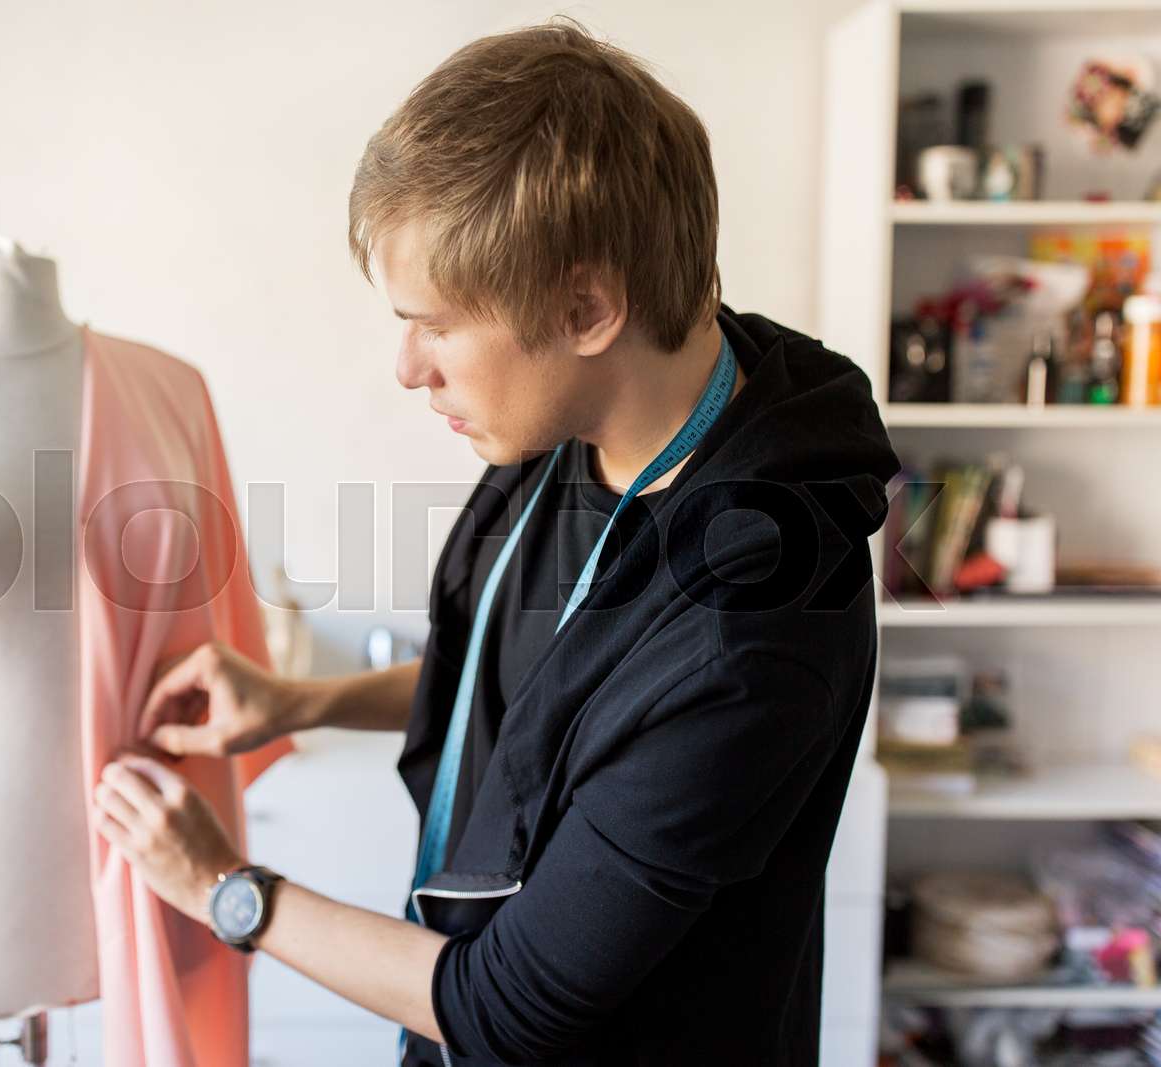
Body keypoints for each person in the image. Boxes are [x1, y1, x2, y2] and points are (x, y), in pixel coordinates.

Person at [90, 18, 900, 1066]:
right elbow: (552, 692)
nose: (407, 366)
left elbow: (506, 1006)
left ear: (587, 306)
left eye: (434, 323)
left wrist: (223, 888)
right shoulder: (609, 407)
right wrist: (302, 701)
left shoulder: (748, 638)